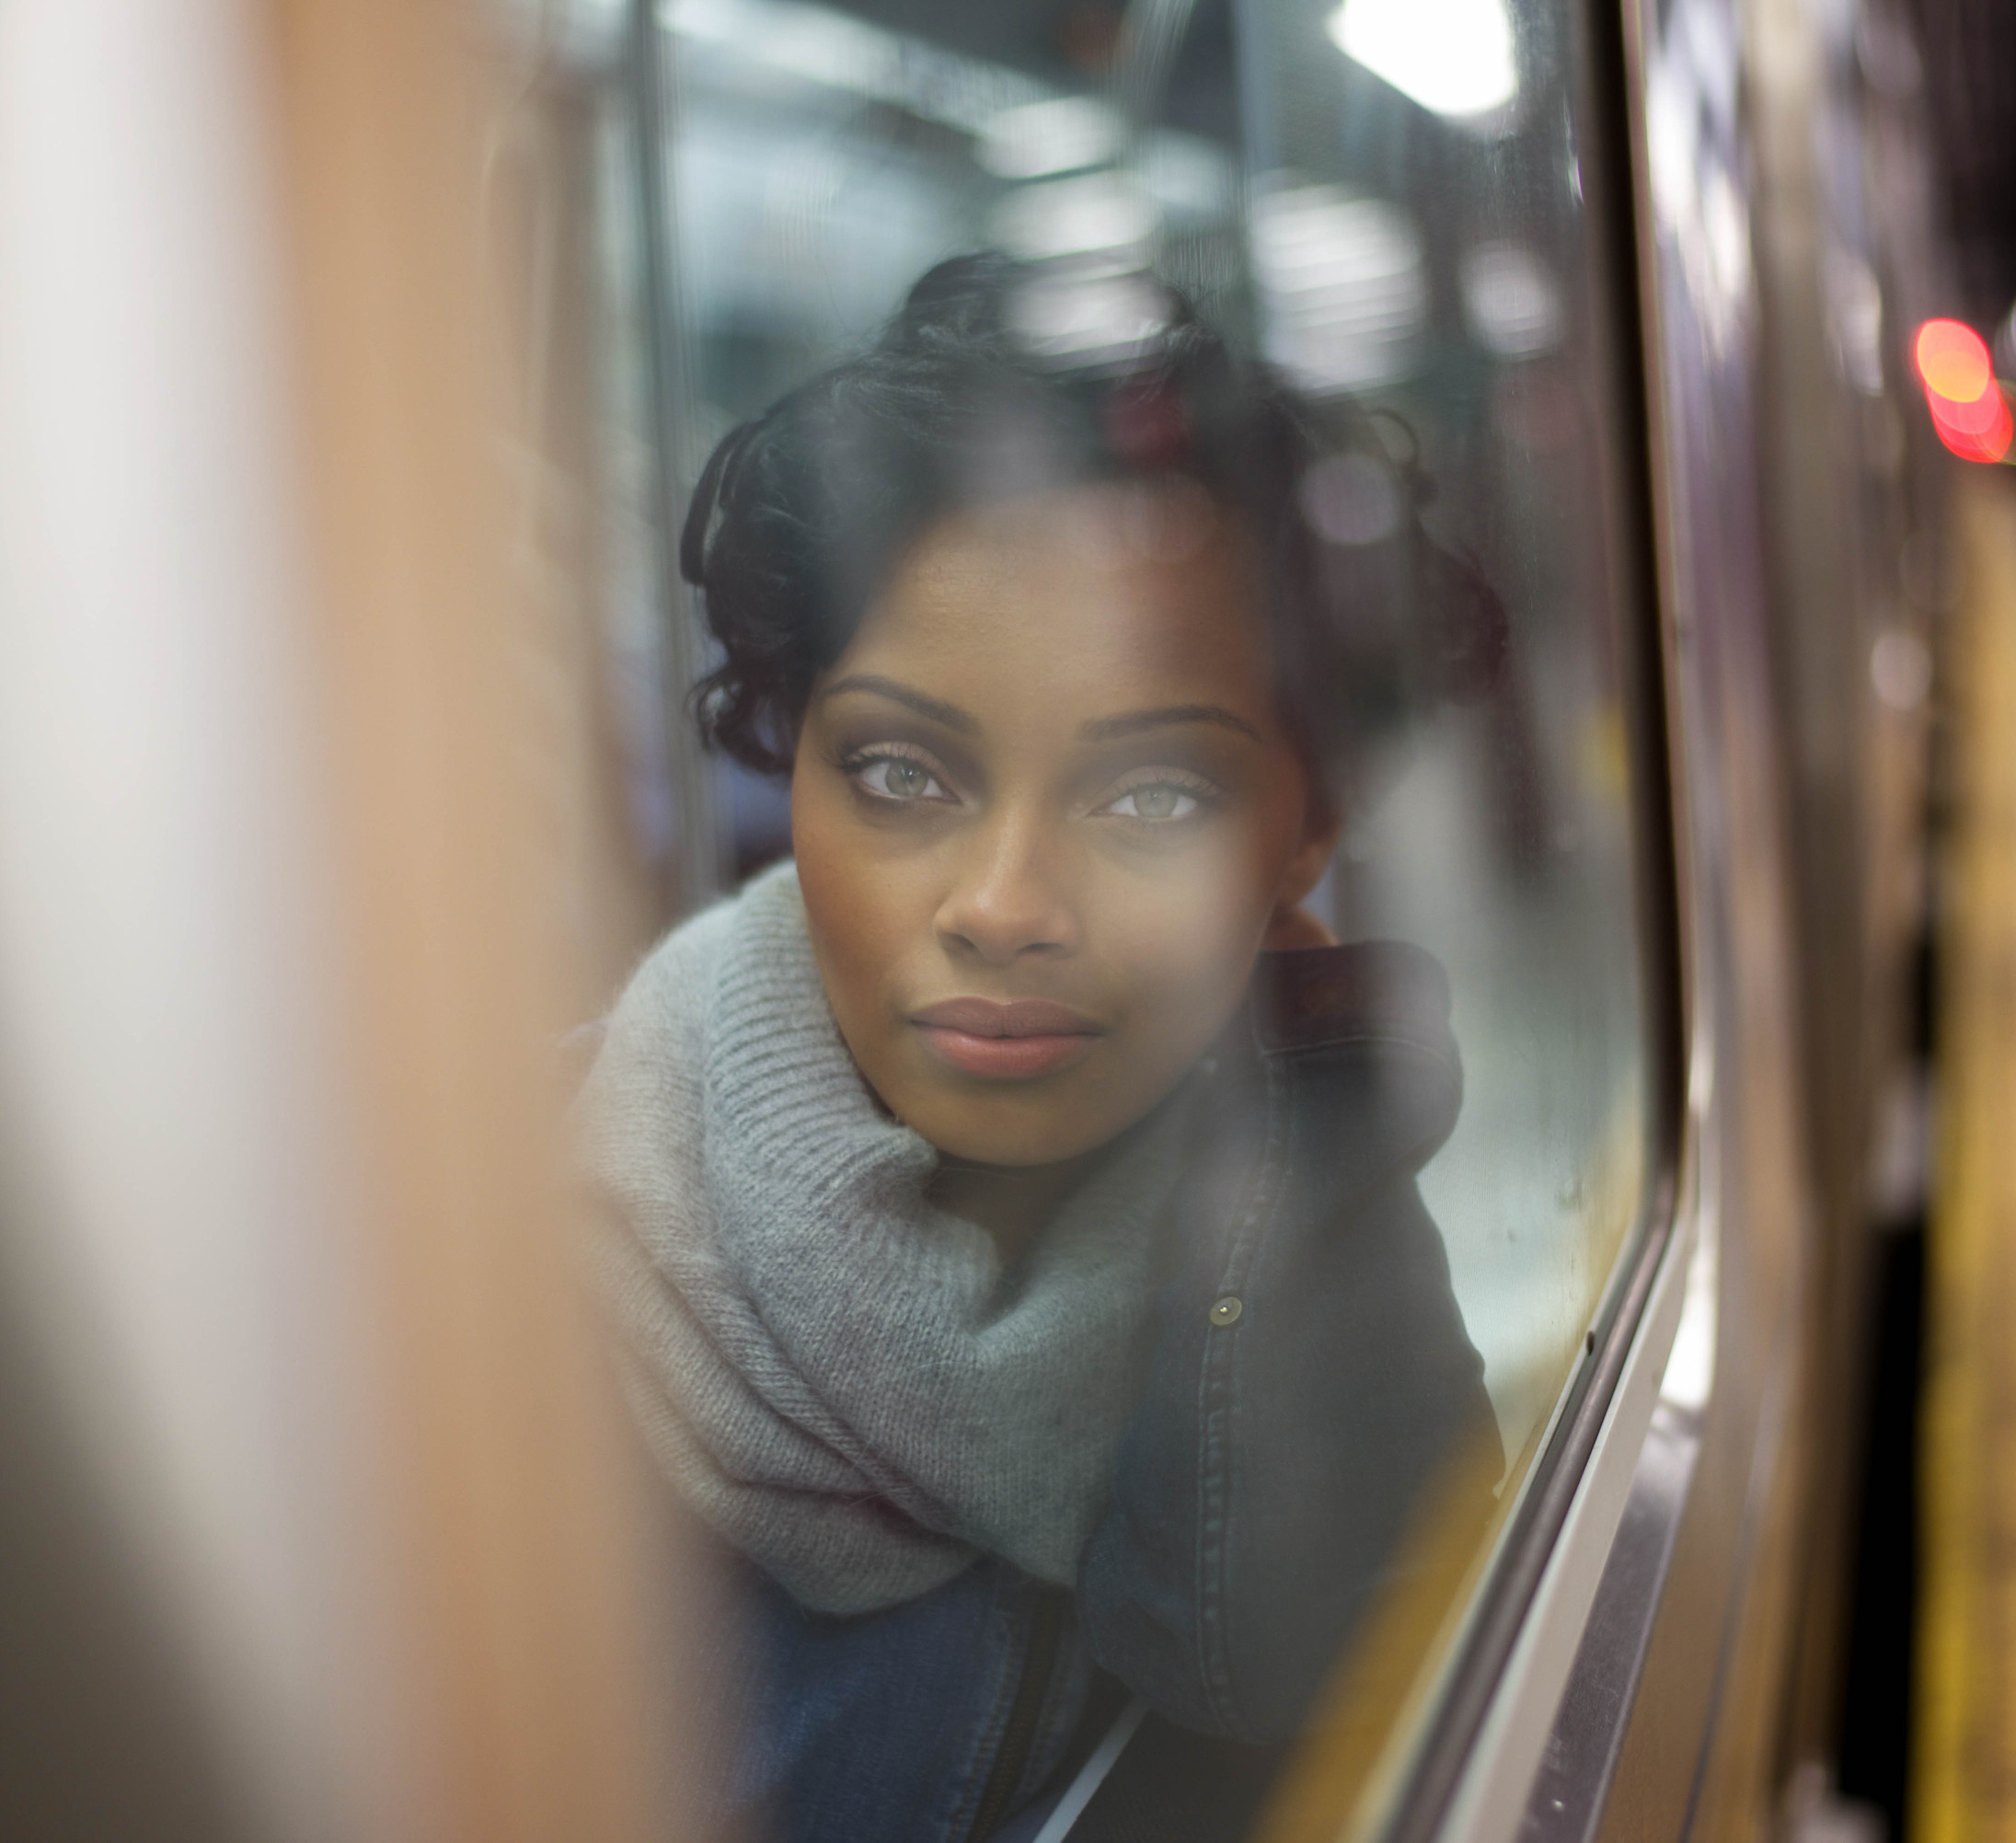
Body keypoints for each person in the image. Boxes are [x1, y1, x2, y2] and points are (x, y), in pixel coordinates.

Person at [578, 253, 1506, 1843]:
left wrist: (1322, 1124)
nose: (1005, 907)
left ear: (1311, 830)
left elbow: (1328, 1681)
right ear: (787, 764)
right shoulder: (480, 1310)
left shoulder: (1306, 1209)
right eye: (898, 773)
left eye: (1154, 796)